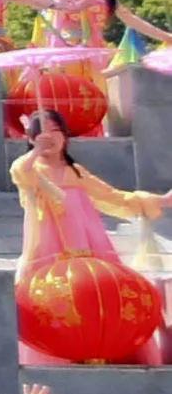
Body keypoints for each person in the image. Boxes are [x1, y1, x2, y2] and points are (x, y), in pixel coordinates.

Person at [11, 107, 165, 364]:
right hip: (49, 248)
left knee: (100, 294)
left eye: (54, 131)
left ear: (65, 136)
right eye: (41, 133)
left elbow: (114, 197)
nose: (49, 136)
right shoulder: (32, 170)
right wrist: (37, 151)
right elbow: (20, 172)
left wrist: (159, 199)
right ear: (31, 139)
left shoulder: (77, 172)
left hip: (90, 245)